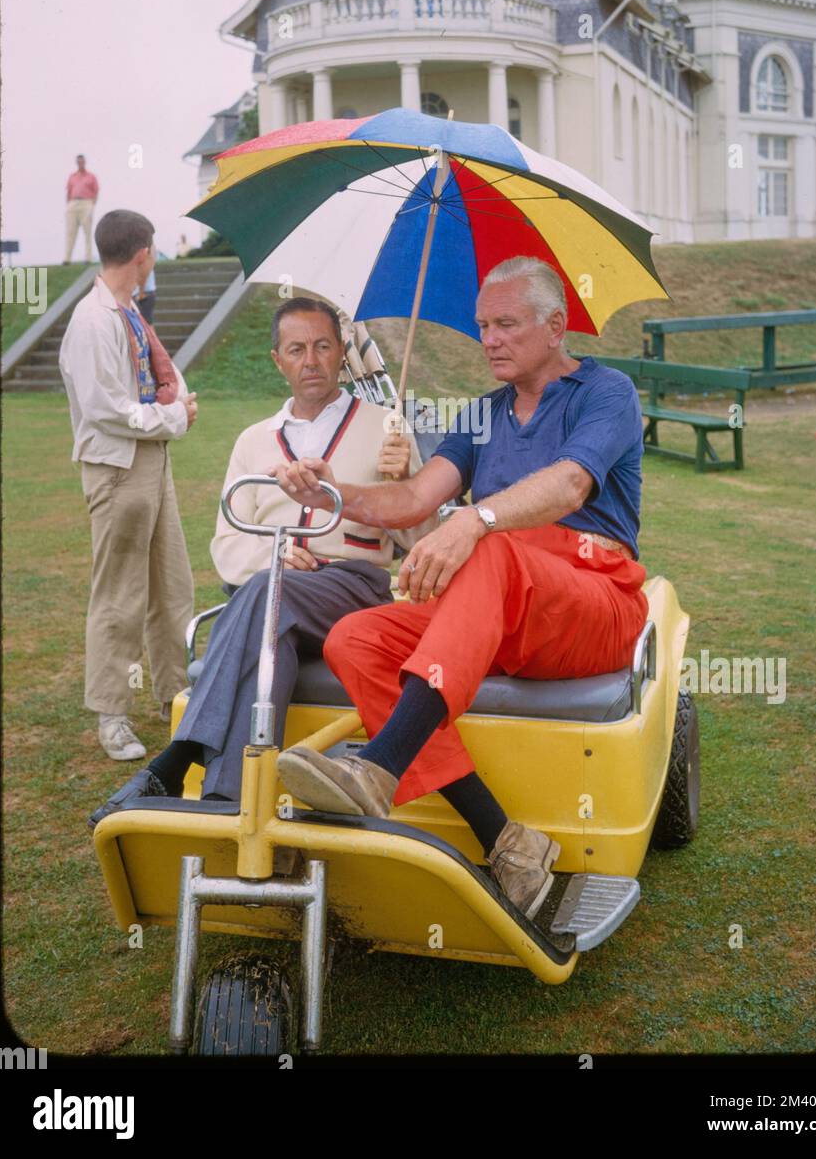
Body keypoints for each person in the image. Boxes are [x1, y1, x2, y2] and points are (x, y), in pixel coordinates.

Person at [274, 257, 650, 920]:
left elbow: (567, 486)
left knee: (490, 548)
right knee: (356, 638)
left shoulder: (606, 392)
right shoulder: (481, 414)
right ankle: (502, 837)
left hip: (590, 601)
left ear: (555, 326)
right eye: (482, 326)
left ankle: (380, 765)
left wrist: (472, 521)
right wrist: (332, 491)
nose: (490, 339)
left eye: (505, 324)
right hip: (499, 601)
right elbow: (415, 497)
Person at [88, 297, 437, 825]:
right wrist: (273, 557)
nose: (311, 360)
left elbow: (422, 541)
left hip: (355, 589)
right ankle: (230, 804)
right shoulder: (253, 440)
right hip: (276, 593)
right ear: (278, 360)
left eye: (323, 346)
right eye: (297, 349)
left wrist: (407, 479)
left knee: (262, 597)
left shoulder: (386, 429)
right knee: (267, 605)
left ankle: (179, 757)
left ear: (343, 353)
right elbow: (228, 544)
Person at [59, 210, 198, 761]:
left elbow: (158, 375)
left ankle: (176, 695)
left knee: (172, 583)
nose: (155, 258)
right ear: (142, 253)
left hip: (151, 462)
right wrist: (176, 419)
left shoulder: (128, 311)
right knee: (119, 593)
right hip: (118, 467)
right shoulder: (92, 321)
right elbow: (107, 410)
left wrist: (178, 403)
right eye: (155, 249)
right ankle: (112, 713)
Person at [65, 154, 99, 263]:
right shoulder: (72, 176)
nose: (80, 163)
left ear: (84, 162)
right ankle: (67, 259)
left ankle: (88, 258)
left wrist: (92, 204)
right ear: (76, 163)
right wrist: (69, 204)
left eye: (82, 161)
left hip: (86, 203)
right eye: (78, 161)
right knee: (70, 232)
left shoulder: (91, 176)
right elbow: (69, 191)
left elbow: (96, 191)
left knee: (87, 232)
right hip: (73, 203)